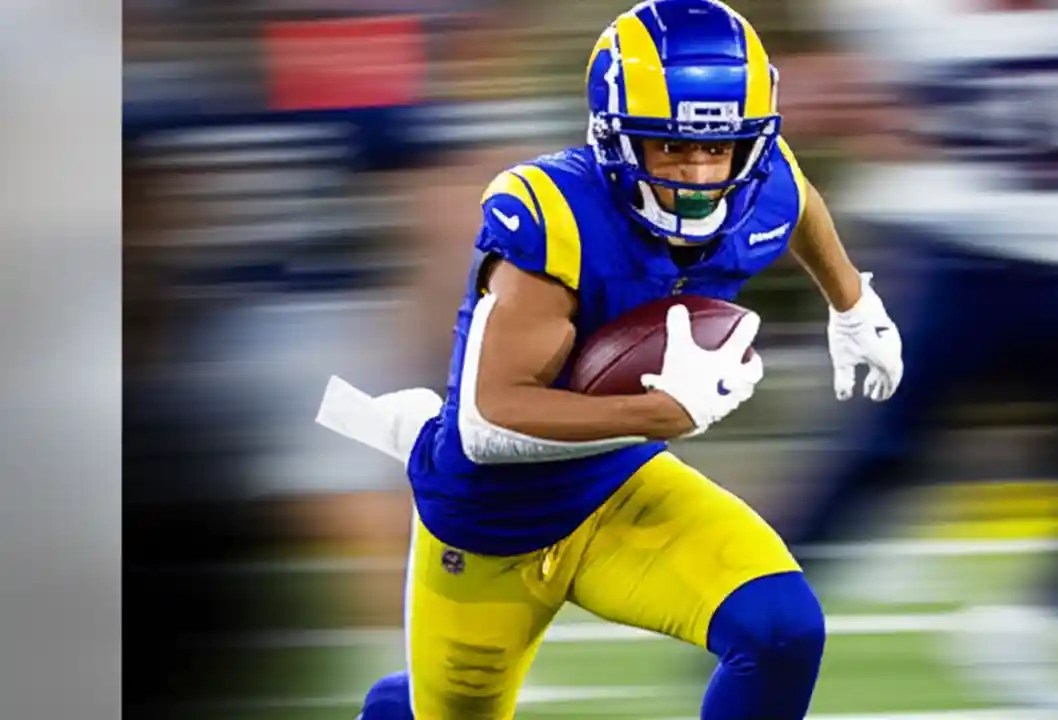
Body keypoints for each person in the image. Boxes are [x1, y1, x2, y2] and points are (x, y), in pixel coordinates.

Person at [317, 1, 904, 718]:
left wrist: (852, 304)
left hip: (618, 485)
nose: (697, 174)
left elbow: (798, 196)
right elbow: (486, 423)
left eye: (716, 150)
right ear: (615, 140)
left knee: (782, 629)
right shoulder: (555, 215)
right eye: (669, 148)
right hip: (490, 522)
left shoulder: (762, 182)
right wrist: (658, 412)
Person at [783, 0, 1058, 715]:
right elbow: (840, 92)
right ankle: (743, 603)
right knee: (875, 452)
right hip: (967, 255)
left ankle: (1036, 631)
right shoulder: (909, 18)